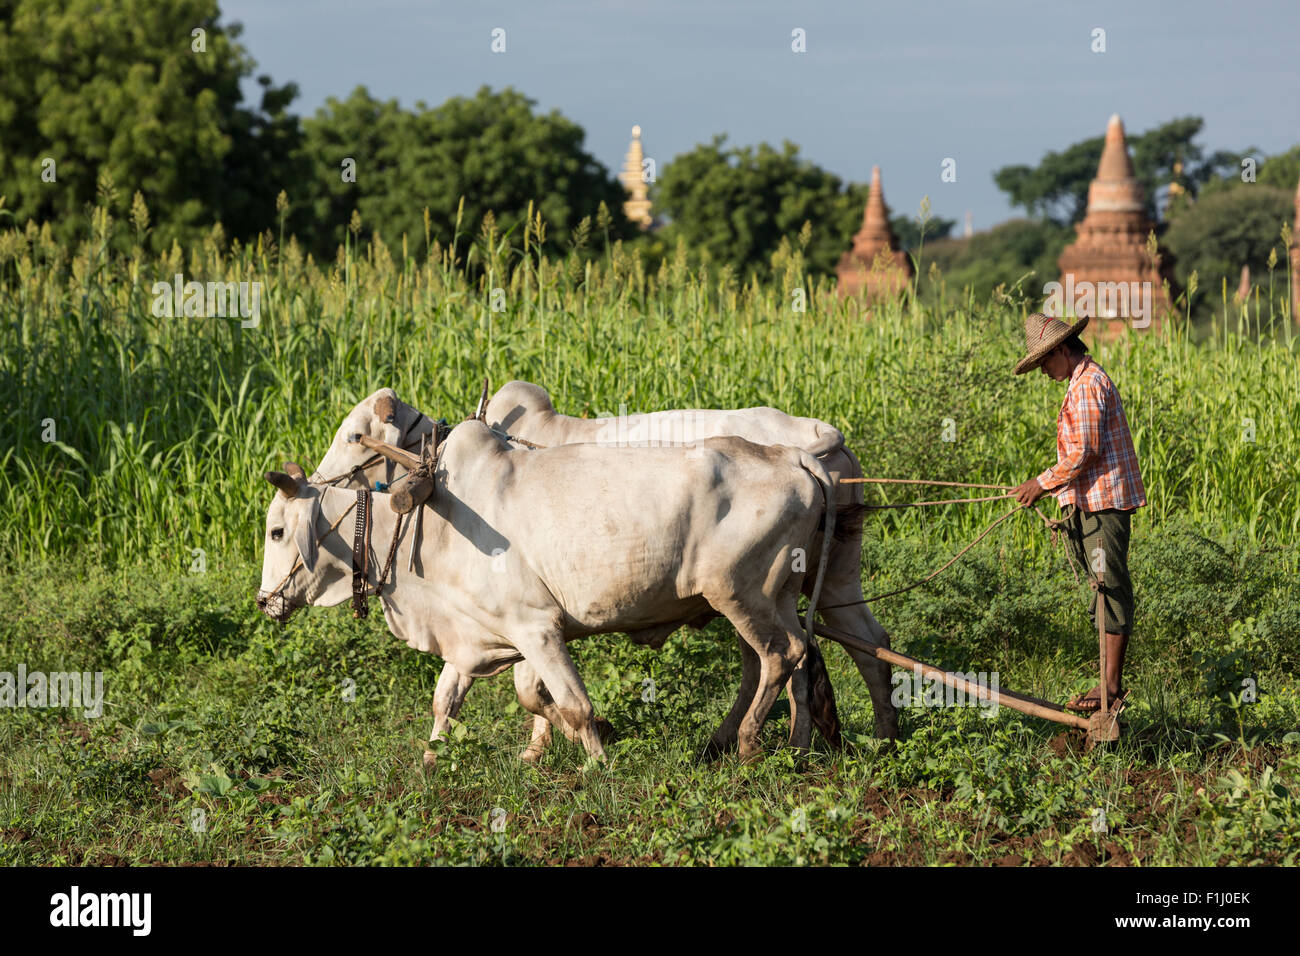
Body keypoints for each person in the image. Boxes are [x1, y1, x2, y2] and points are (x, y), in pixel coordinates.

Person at [1009, 313, 1146, 713]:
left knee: (1108, 586)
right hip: (1089, 503)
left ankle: (1111, 687)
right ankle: (1106, 685)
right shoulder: (1079, 381)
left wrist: (1042, 483)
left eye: (1044, 362)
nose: (1043, 371)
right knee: (1099, 589)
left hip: (1103, 504)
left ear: (1061, 350)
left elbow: (1084, 450)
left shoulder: (1088, 385)